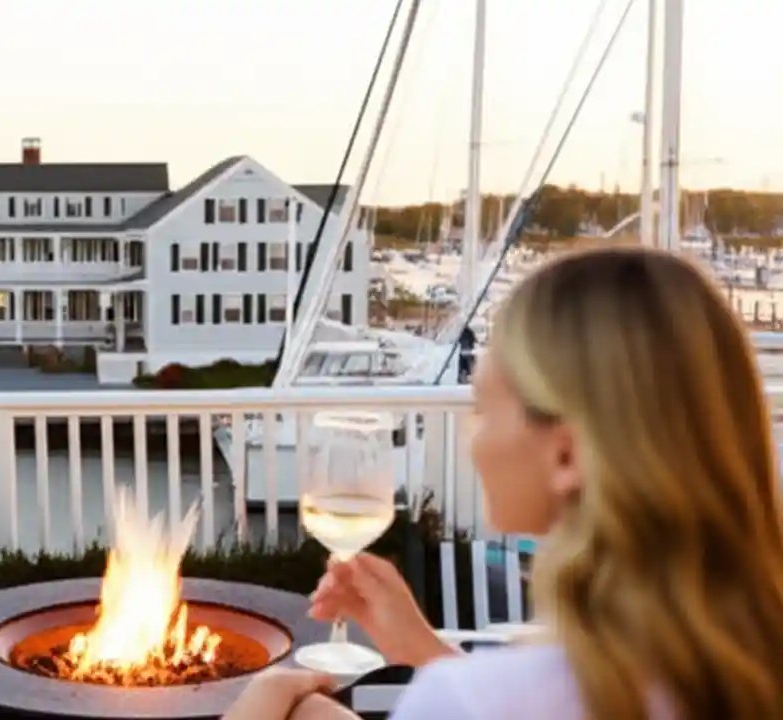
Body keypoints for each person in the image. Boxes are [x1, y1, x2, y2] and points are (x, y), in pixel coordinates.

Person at [226, 246, 783, 719]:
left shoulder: (469, 701)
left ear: (566, 454)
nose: (475, 441)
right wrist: (425, 649)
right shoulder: (745, 658)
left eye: (484, 411)